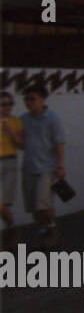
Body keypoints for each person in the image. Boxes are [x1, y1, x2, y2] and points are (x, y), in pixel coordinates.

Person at [16, 85, 65, 250]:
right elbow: (22, 145)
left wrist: (60, 166)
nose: (29, 102)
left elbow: (59, 143)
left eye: (32, 98)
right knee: (32, 206)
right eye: (26, 99)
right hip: (29, 168)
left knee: (42, 203)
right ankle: (43, 231)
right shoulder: (23, 119)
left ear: (42, 99)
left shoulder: (53, 119)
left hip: (47, 168)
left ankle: (52, 228)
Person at [1, 93, 22, 252]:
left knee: (3, 205)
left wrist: (12, 133)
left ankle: (11, 227)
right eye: (3, 104)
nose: (7, 107)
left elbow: (22, 145)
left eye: (9, 104)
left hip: (9, 162)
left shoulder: (15, 122)